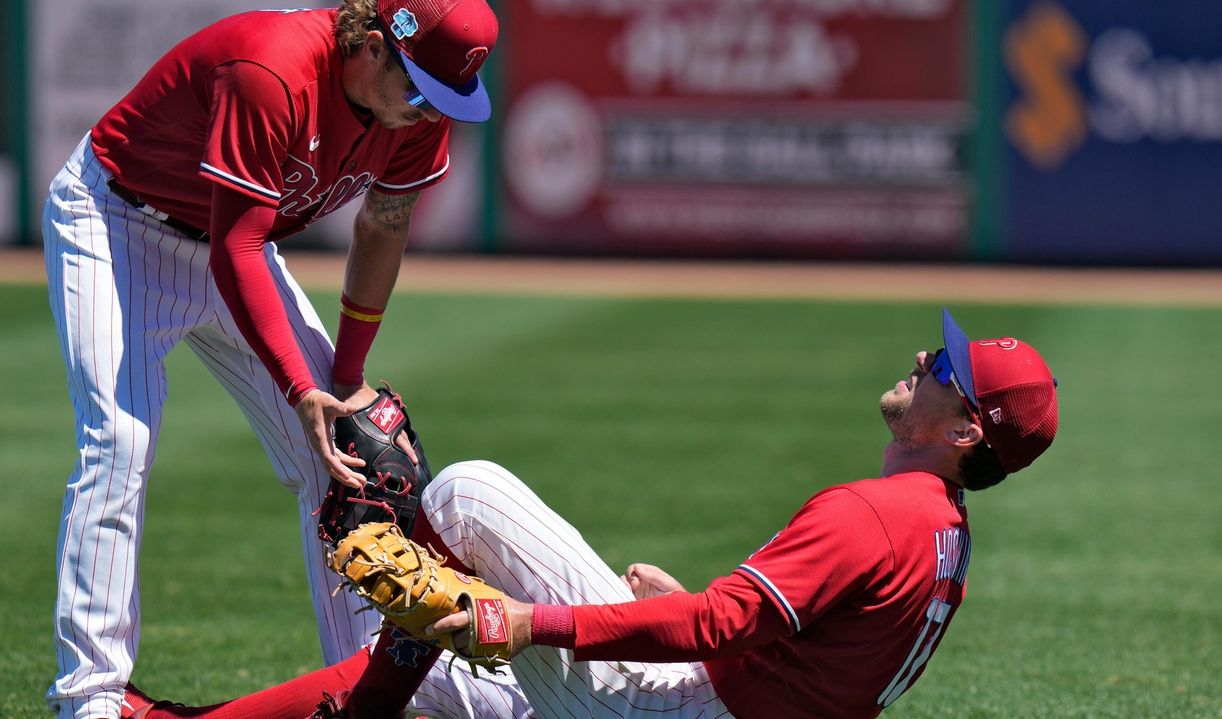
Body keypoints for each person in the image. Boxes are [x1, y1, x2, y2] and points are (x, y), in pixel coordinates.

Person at [118, 307, 1060, 718]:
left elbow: (715, 621)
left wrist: (525, 620)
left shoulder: (874, 514)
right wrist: (709, 620)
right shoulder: (941, 532)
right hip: (727, 702)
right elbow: (808, 659)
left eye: (949, 371)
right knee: (447, 684)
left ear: (966, 429)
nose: (927, 362)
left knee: (463, 496)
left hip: (686, 717)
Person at [40, 1, 499, 717]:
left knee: (340, 456)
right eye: (419, 89)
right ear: (375, 47)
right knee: (119, 445)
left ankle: (364, 687)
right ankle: (90, 696)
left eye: (443, 97)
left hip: (233, 245)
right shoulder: (272, 68)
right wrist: (298, 386)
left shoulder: (415, 110)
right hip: (118, 224)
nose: (426, 109)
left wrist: (344, 380)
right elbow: (237, 246)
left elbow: (384, 221)